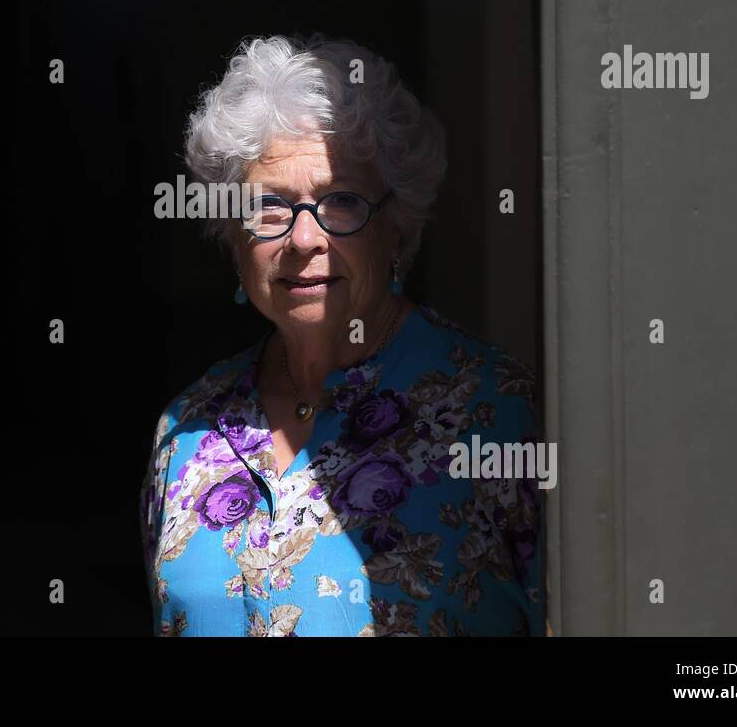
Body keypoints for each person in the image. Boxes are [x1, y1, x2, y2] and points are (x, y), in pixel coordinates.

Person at [139, 33, 546, 636]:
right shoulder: (188, 428)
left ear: (396, 226)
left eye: (342, 201)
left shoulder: (494, 410)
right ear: (232, 237)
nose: (304, 239)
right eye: (269, 206)